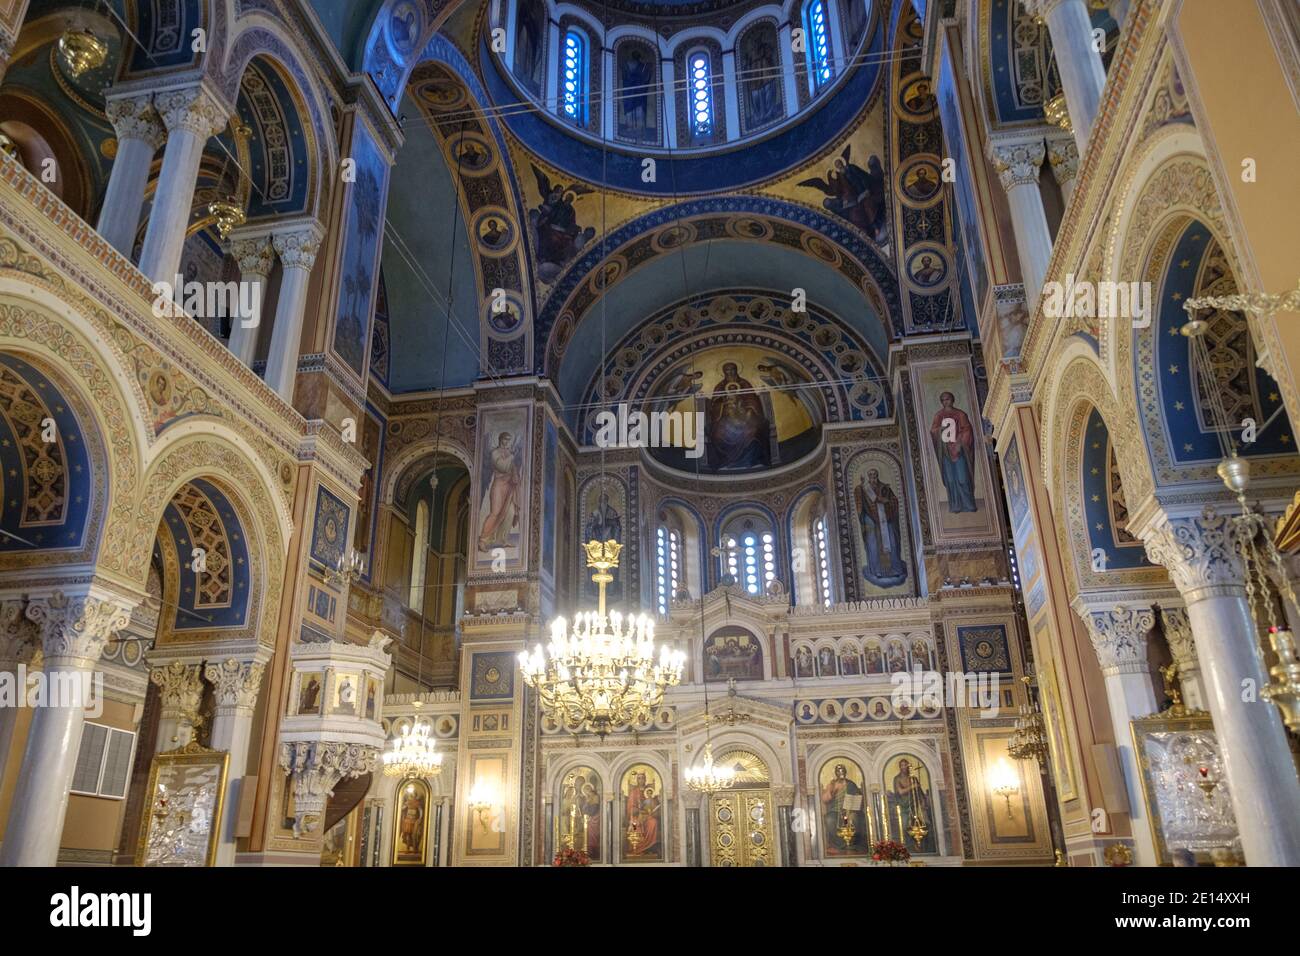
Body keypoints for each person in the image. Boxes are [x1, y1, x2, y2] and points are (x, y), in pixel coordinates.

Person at [929, 391, 978, 513]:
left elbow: (967, 430)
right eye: (944, 400)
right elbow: (933, 431)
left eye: (948, 399)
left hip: (959, 451)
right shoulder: (938, 415)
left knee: (962, 478)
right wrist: (941, 429)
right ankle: (955, 505)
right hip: (945, 452)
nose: (946, 402)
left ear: (953, 400)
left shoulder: (960, 414)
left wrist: (959, 443)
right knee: (950, 479)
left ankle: (968, 504)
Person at [477, 431, 521, 551]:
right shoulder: (495, 453)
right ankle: (483, 540)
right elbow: (502, 466)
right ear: (501, 439)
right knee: (495, 513)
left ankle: (502, 539)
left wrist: (516, 476)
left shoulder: (509, 453)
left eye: (509, 440)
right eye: (505, 439)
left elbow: (512, 468)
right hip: (499, 485)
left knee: (510, 512)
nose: (507, 442)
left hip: (509, 486)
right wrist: (512, 456)